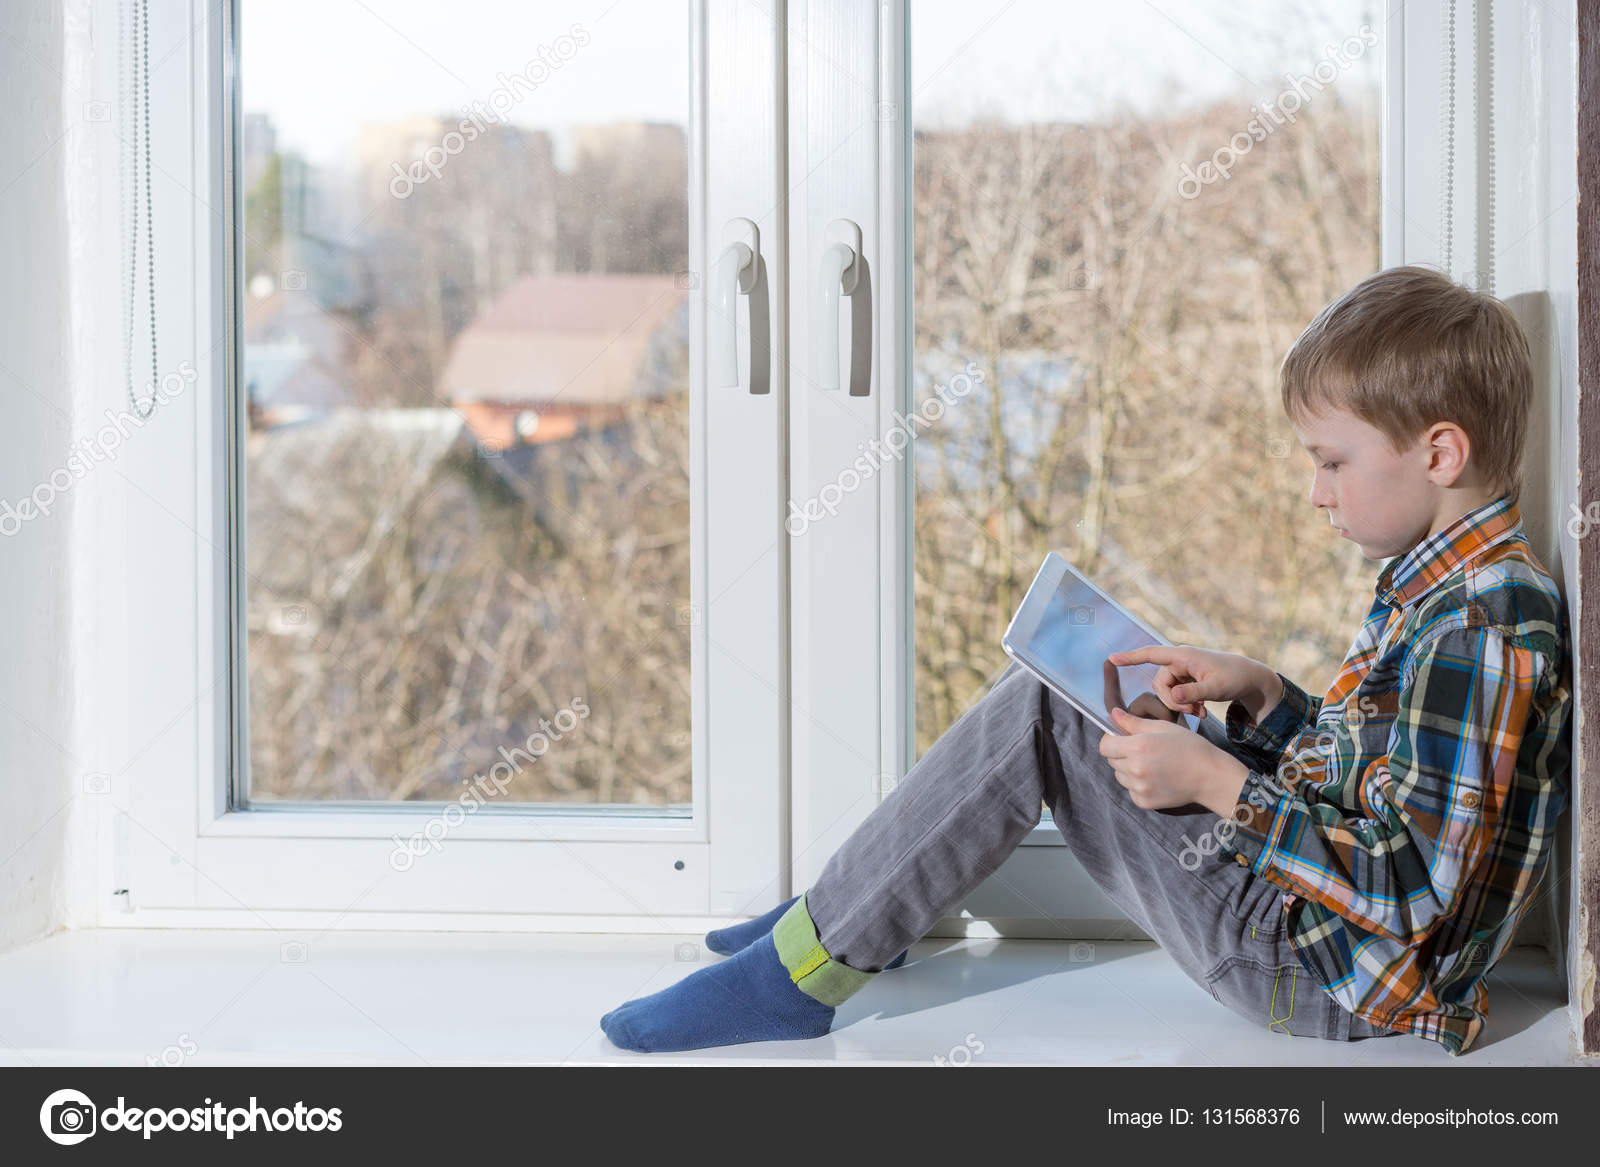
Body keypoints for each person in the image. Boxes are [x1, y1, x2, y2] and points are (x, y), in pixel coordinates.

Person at [598, 265, 1574, 1057]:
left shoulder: (1479, 631)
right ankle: (846, 915)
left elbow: (1408, 887)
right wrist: (1261, 696)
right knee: (1076, 684)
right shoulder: (1447, 587)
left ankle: (802, 972)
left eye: (1330, 460)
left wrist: (1224, 786)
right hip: (1323, 935)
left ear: (1439, 453)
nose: (1315, 492)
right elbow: (1377, 782)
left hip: (1319, 974)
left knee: (1047, 704)